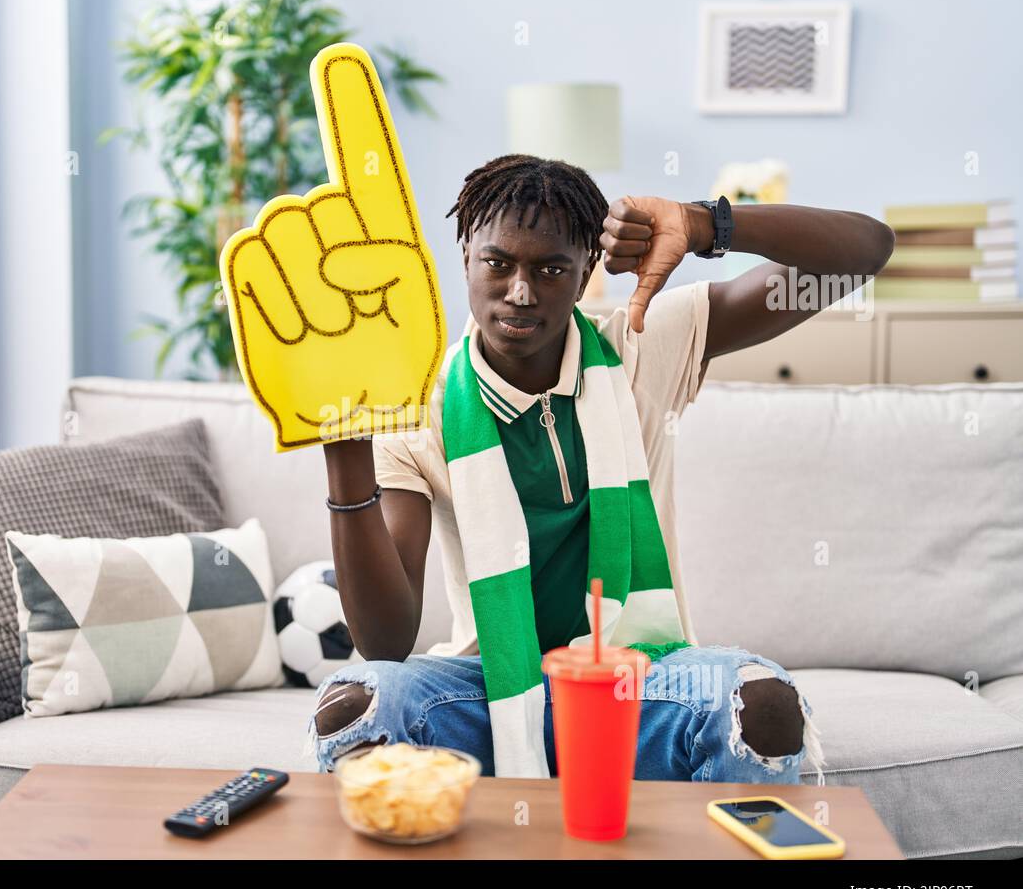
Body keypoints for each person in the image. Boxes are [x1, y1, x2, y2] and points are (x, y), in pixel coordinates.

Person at [305, 153, 895, 784]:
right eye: (497, 263)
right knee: (362, 705)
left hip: (637, 683)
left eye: (552, 268)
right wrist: (342, 444)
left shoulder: (644, 343)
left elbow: (864, 253)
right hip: (492, 689)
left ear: (588, 270)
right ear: (467, 260)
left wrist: (703, 225)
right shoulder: (417, 411)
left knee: (760, 705)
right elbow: (386, 641)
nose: (520, 291)